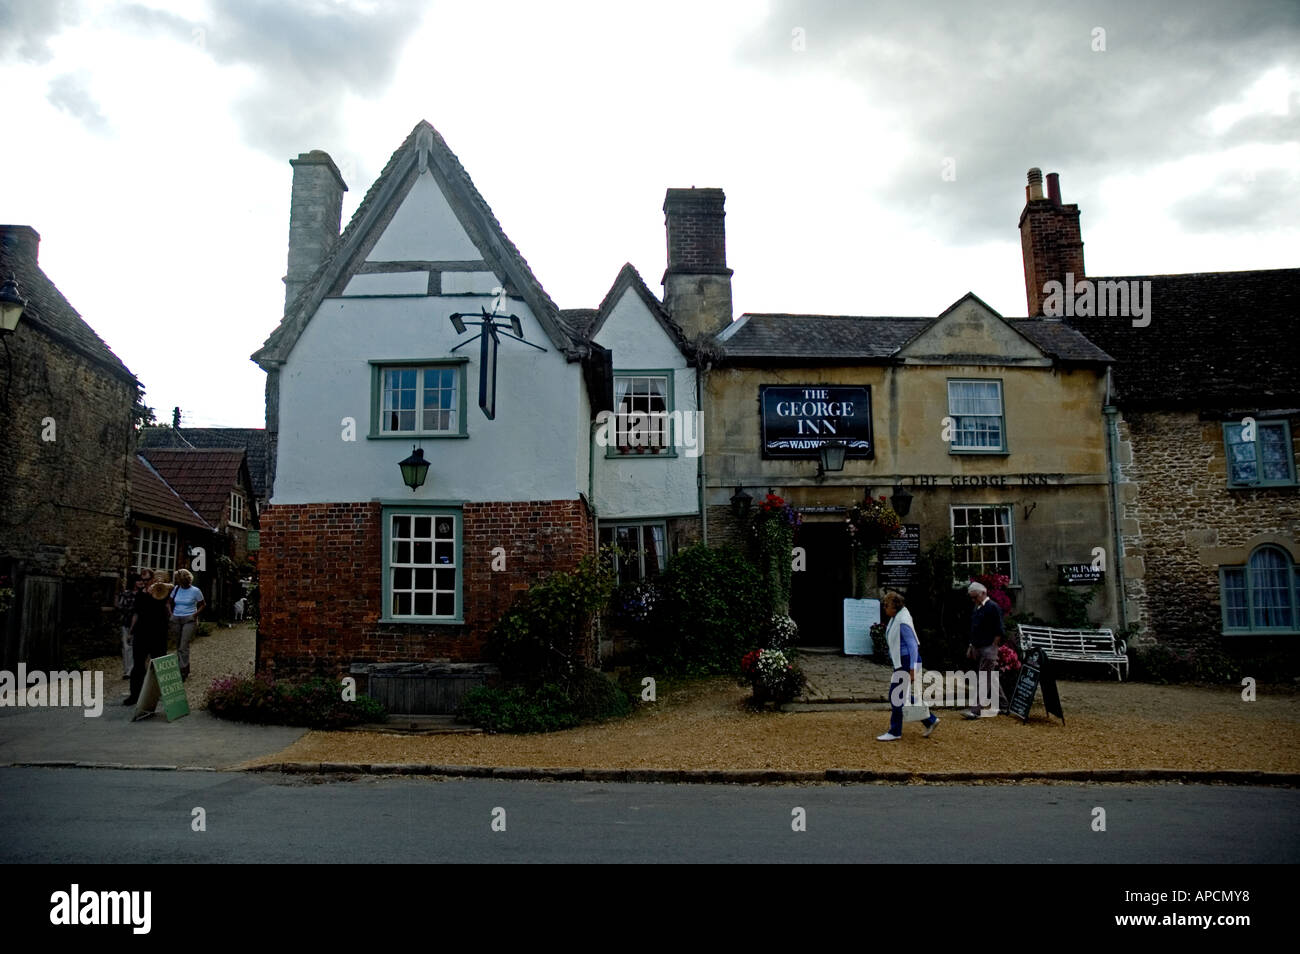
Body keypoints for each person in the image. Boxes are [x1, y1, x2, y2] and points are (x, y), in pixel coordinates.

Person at [877, 590, 939, 741]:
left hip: (906, 662)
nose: (885, 608)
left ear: (894, 607)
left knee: (896, 695)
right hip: (902, 661)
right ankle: (929, 719)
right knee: (900, 695)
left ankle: (895, 731)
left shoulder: (902, 620)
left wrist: (912, 668)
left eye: (886, 605)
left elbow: (912, 646)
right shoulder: (898, 616)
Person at [124, 573, 171, 706]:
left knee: (160, 665)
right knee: (138, 666)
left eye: (148, 580)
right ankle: (134, 695)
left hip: (158, 634)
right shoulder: (140, 595)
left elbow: (173, 588)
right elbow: (136, 614)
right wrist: (130, 632)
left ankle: (163, 695)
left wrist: (161, 584)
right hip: (142, 633)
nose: (145, 582)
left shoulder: (163, 593)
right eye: (143, 580)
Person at [963, 580, 1006, 718]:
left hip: (988, 648)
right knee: (990, 677)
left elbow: (999, 630)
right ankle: (1004, 705)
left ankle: (975, 710)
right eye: (972, 597)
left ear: (983, 593)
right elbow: (974, 629)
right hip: (979, 647)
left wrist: (993, 648)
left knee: (983, 678)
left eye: (975, 597)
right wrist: (971, 645)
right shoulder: (977, 608)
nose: (973, 600)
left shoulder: (993, 607)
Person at [167, 568, 205, 682]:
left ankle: (182, 670)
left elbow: (203, 604)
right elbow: (168, 603)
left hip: (189, 619)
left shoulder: (195, 591)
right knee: (179, 645)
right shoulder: (176, 589)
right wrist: (171, 614)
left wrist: (195, 615)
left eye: (180, 580)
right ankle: (185, 666)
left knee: (183, 645)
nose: (179, 582)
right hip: (176, 618)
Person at [116, 571, 146, 679]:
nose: (141, 582)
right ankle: (127, 670)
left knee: (137, 647)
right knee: (126, 646)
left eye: (142, 580)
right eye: (139, 580)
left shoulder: (144, 594)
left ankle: (134, 668)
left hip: (140, 624)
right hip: (127, 622)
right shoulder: (126, 594)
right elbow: (120, 607)